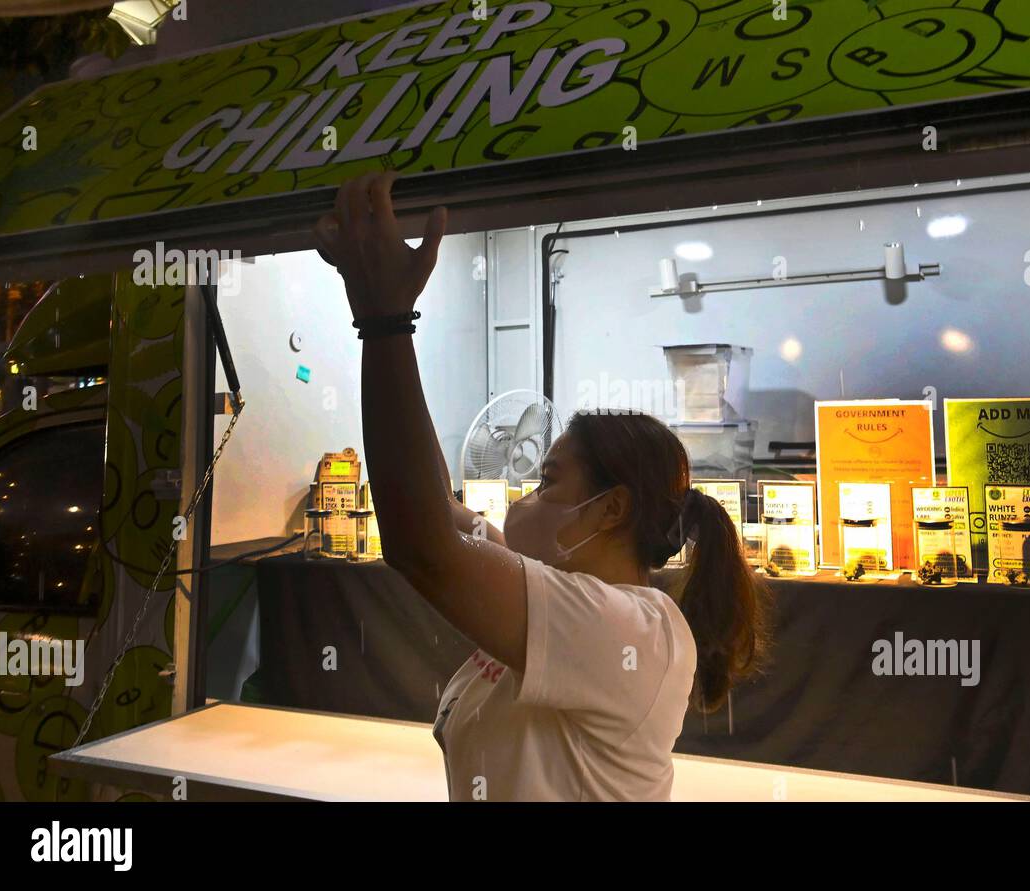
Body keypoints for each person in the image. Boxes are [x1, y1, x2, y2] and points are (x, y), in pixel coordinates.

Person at [313, 172, 770, 801]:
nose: (523, 494)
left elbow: (422, 545)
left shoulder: (634, 630)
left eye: (547, 481)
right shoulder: (566, 597)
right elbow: (443, 515)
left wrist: (385, 322)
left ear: (610, 509)